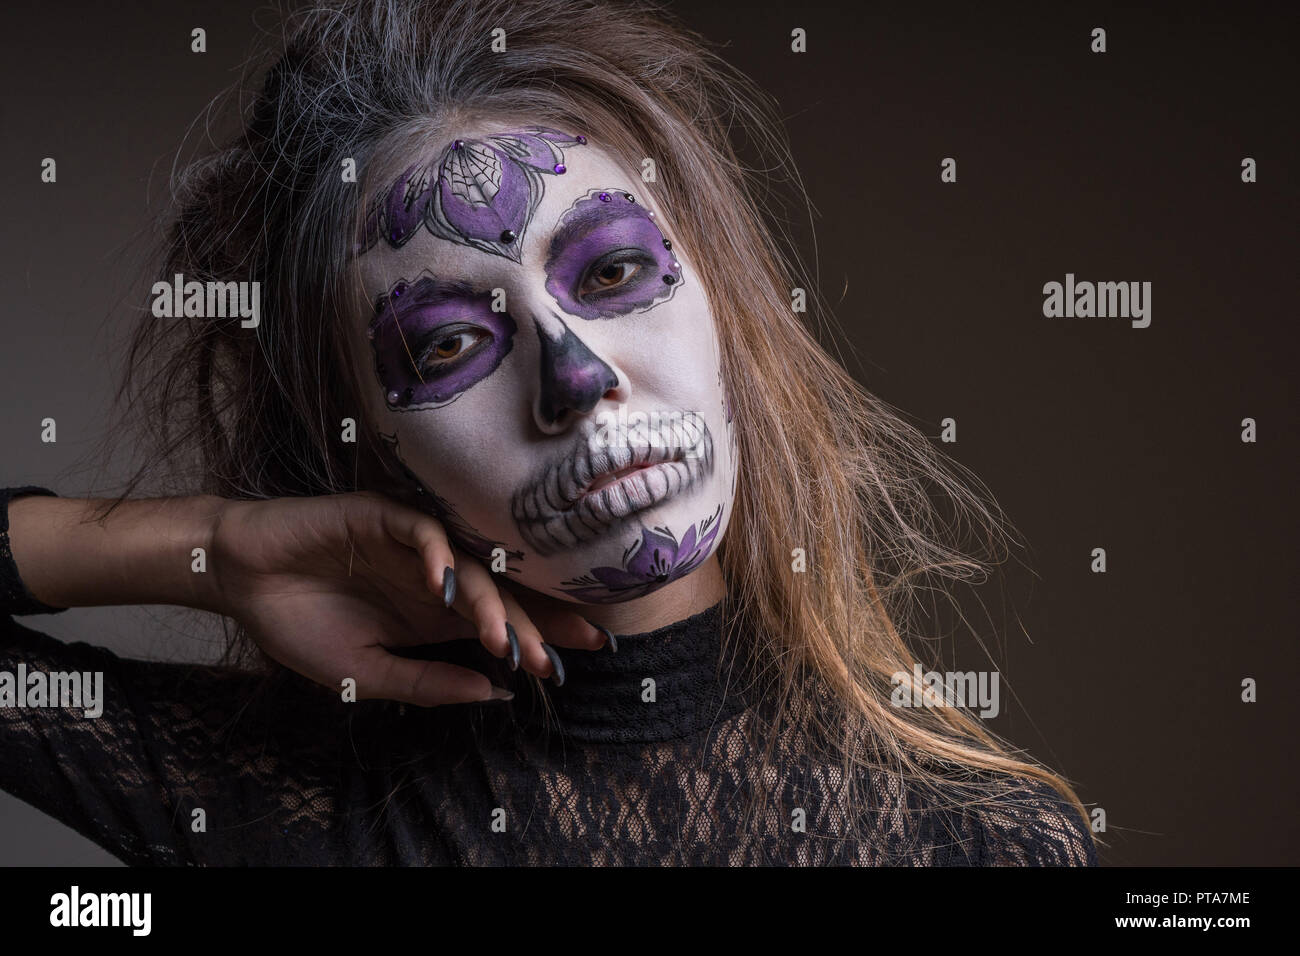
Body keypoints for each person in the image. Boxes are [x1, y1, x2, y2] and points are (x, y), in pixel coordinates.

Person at [0, 0, 1096, 865]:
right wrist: (215, 546)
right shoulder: (265, 801)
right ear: (376, 448)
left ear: (725, 304)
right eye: (444, 347)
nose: (572, 377)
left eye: (612, 272)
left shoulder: (988, 842)